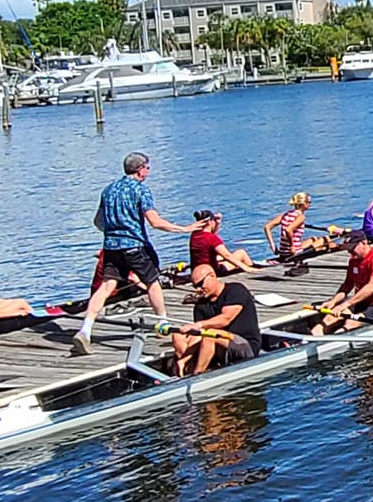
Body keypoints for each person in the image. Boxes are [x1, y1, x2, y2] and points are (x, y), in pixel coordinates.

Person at [72, 152, 194, 356]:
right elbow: (155, 222)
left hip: (111, 246)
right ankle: (162, 322)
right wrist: (184, 229)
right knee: (152, 281)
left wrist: (114, 230)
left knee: (106, 286)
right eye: (147, 167)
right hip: (134, 246)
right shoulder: (141, 190)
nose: (148, 170)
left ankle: (85, 329)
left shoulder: (108, 190)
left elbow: (98, 222)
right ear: (140, 169)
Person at [170, 262, 262, 374]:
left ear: (212, 276)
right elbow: (198, 335)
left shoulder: (236, 290)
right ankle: (187, 369)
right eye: (195, 286)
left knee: (209, 336)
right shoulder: (201, 305)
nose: (198, 289)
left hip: (245, 346)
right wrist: (184, 358)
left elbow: (225, 319)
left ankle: (197, 375)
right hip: (219, 347)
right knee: (177, 335)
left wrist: (199, 325)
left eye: (200, 284)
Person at [312, 237, 373, 335]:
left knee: (351, 323)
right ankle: (312, 339)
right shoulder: (354, 260)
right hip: (362, 302)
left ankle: (333, 342)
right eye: (348, 249)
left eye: (352, 248)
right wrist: (332, 302)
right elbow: (347, 285)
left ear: (364, 243)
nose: (350, 252)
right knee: (329, 318)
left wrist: (345, 304)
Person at [188, 211, 258, 275]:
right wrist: (246, 268)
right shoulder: (212, 238)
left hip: (197, 271)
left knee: (220, 257)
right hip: (212, 272)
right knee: (241, 253)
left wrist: (217, 224)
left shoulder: (195, 235)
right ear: (210, 222)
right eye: (214, 220)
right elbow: (227, 256)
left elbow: (210, 239)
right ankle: (253, 272)